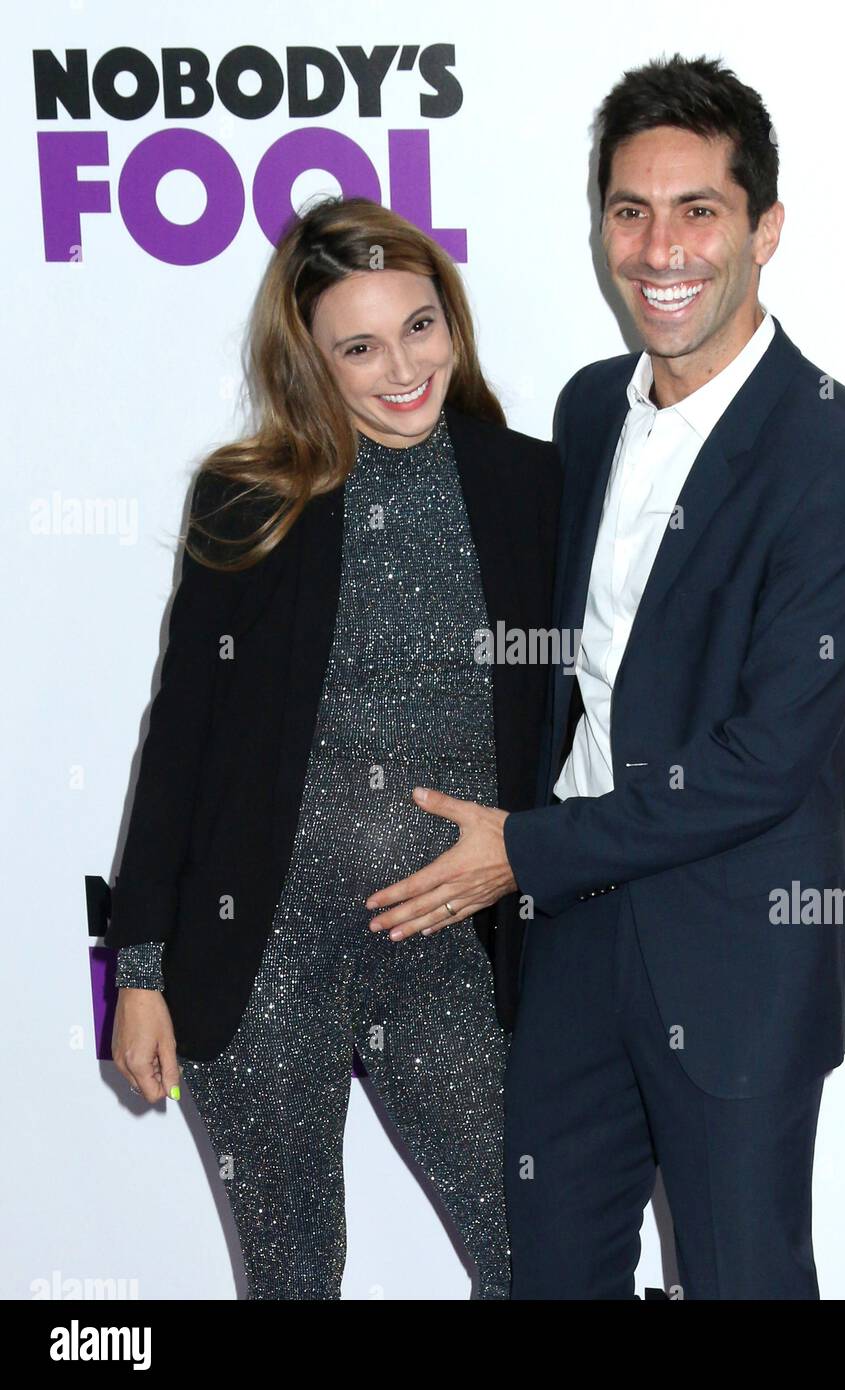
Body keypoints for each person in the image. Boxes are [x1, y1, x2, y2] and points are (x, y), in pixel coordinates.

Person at [363, 55, 845, 1299]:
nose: (661, 248)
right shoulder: (591, 412)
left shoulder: (839, 455)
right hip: (571, 949)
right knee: (550, 1278)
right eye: (630, 210)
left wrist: (529, 851)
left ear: (764, 229)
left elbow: (767, 764)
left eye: (699, 211)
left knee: (743, 1282)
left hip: (730, 956)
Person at [104, 194, 560, 1300]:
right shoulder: (251, 499)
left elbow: (580, 722)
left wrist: (532, 847)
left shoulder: (534, 485)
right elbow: (182, 744)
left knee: (537, 1256)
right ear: (308, 359)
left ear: (452, 320)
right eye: (358, 345)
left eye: (419, 325)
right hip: (263, 956)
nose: (400, 366)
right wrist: (141, 970)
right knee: (295, 1276)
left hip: (451, 951)